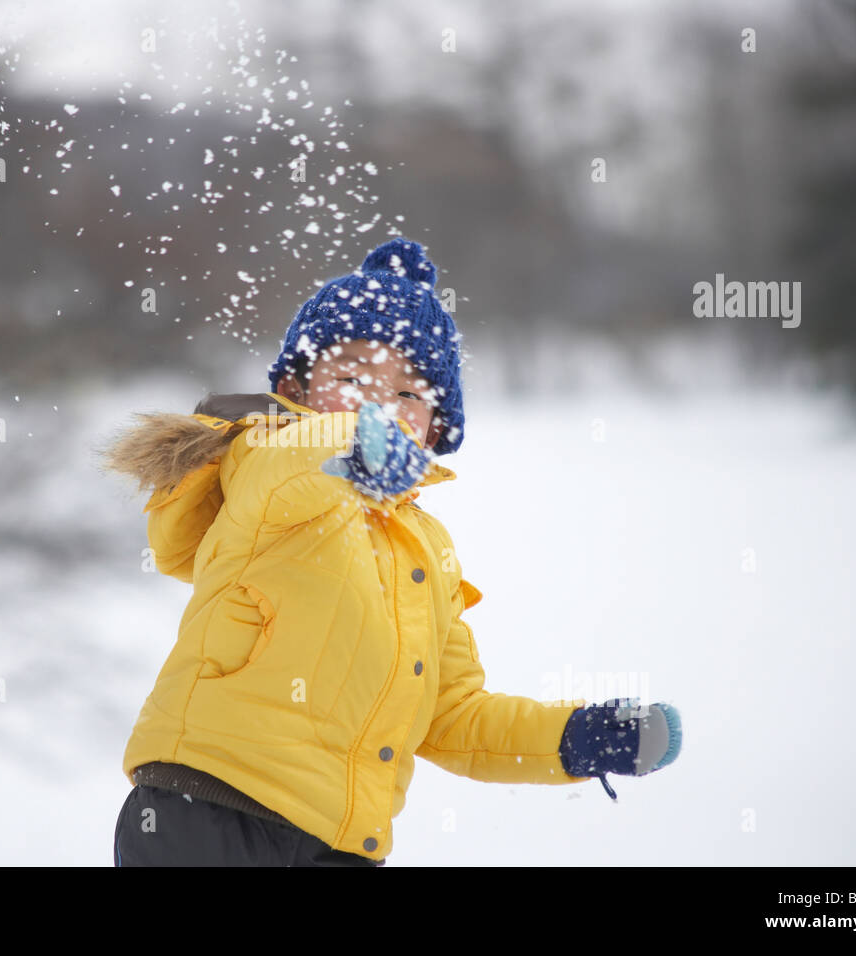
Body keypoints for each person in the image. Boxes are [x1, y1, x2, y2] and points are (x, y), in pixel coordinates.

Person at [99, 237, 681, 866]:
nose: (379, 405)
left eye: (408, 395)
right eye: (351, 379)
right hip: (209, 811)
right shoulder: (266, 463)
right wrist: (355, 441)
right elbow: (296, 464)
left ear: (436, 427)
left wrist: (573, 740)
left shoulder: (425, 552)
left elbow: (452, 714)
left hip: (340, 845)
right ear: (297, 386)